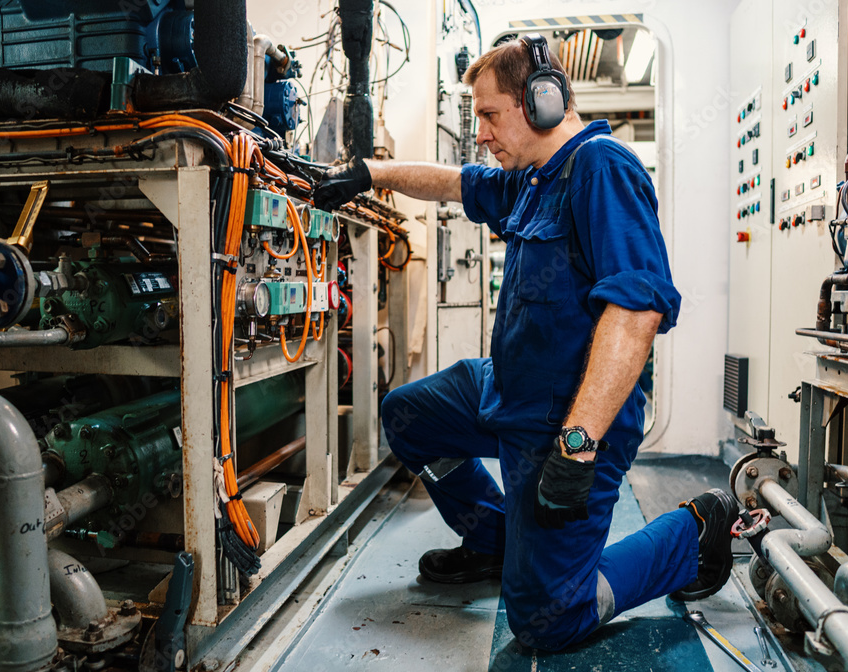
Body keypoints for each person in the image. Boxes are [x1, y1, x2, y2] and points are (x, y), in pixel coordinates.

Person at [313, 35, 739, 651]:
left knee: (546, 619)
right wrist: (368, 174)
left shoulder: (601, 169)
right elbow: (452, 183)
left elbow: (635, 313)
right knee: (407, 415)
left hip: (566, 420)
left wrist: (578, 445)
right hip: (507, 390)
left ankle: (693, 534)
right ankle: (494, 539)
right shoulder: (532, 179)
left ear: (542, 101)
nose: (481, 133)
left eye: (489, 115)